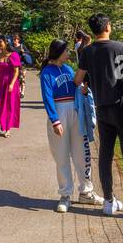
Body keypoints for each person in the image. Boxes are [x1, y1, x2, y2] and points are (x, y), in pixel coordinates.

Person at [74, 13, 123, 220]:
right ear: (107, 26)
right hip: (122, 107)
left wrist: (91, 83)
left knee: (105, 154)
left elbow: (78, 79)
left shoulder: (88, 51)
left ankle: (109, 201)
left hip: (102, 108)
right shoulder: (118, 47)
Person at [39, 39, 101, 212]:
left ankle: (86, 192)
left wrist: (82, 90)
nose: (69, 54)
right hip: (59, 113)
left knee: (81, 152)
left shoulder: (68, 69)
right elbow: (47, 97)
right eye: (66, 51)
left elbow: (77, 86)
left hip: (75, 111)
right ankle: (65, 195)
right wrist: (54, 120)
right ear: (58, 52)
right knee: (61, 156)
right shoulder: (47, 72)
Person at [0, 37, 23, 137]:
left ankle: (8, 128)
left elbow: (16, 71)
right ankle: (3, 123)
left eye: (0, 42)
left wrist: (12, 84)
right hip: (0, 82)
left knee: (9, 105)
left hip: (11, 82)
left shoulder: (13, 55)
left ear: (6, 43)